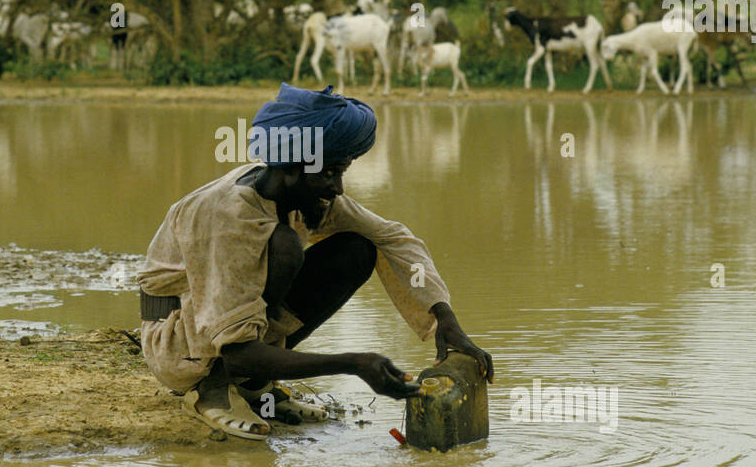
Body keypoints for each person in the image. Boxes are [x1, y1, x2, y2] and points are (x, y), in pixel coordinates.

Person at [137, 83, 492, 440]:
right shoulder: (224, 219)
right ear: (292, 168)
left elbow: (394, 239)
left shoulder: (298, 194)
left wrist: (442, 315)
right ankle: (210, 388)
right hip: (178, 339)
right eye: (329, 173)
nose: (337, 187)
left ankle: (254, 387)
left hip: (231, 326)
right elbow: (240, 351)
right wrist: (354, 363)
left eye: (341, 172)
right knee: (285, 246)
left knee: (357, 249)